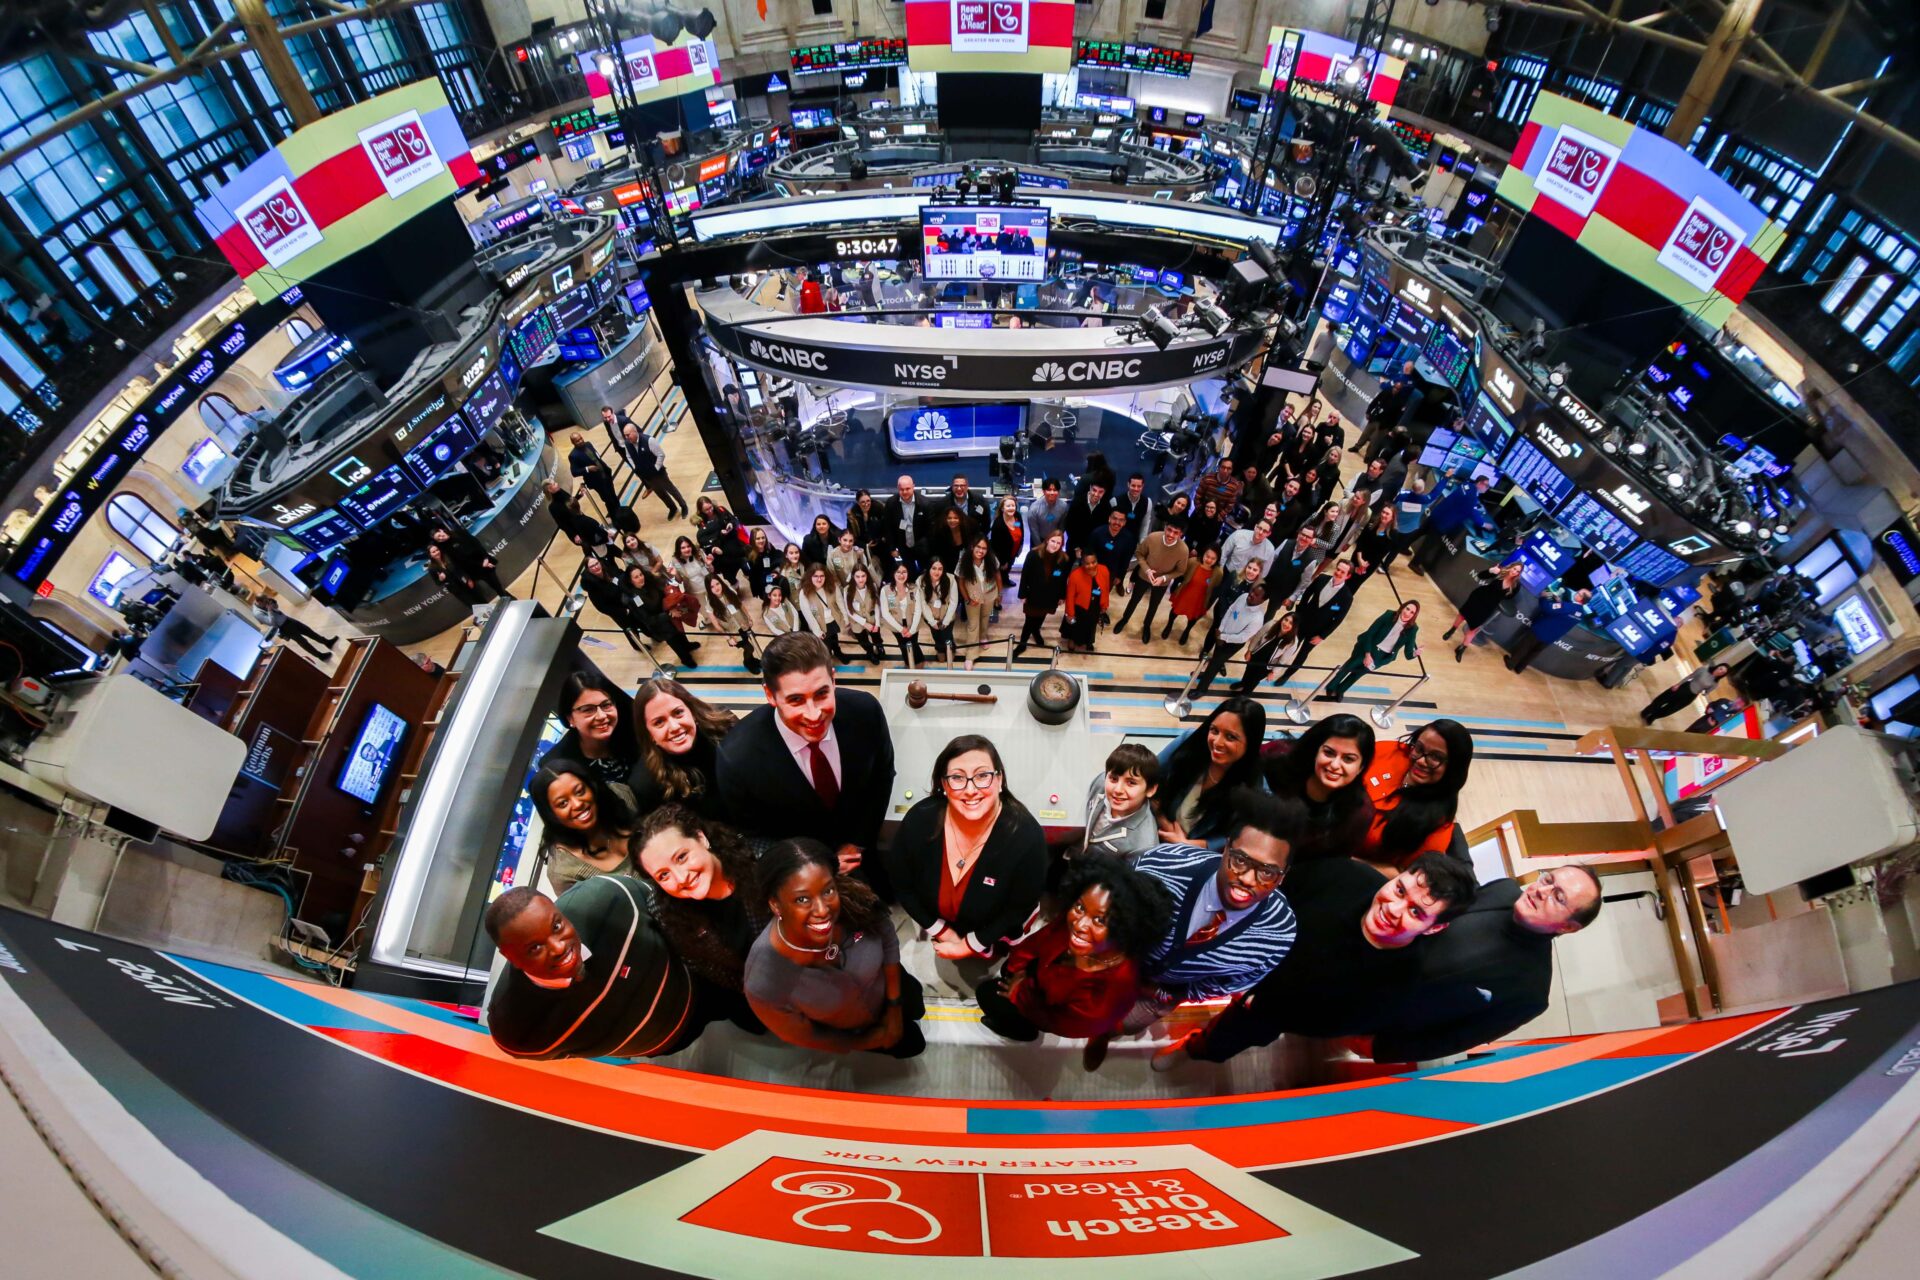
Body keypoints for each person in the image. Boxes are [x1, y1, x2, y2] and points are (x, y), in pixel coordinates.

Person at [1166, 852, 1479, 1065]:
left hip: (1264, 1012)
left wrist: (1259, 1001)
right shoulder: (1342, 875)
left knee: (1224, 1041)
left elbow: (1325, 1025)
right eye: (1399, 890)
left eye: (1416, 912)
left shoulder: (1398, 986)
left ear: (1435, 927)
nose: (1392, 909)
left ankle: (1193, 1048)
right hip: (1235, 958)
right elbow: (1278, 894)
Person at [1362, 866, 1604, 1062]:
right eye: (1547, 879)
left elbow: (1456, 1038)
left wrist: (1379, 1049)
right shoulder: (1504, 889)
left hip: (1372, 1017)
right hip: (1362, 957)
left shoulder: (1531, 991)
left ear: (1568, 927)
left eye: (1558, 897)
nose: (1542, 890)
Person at [716, 633, 896, 884]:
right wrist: (816, 861)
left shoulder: (865, 711)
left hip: (864, 850)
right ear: (770, 695)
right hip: (802, 874)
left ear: (833, 679)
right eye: (796, 700)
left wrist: (859, 842)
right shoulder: (737, 758)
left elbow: (882, 775)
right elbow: (751, 835)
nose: (814, 715)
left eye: (822, 694)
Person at [1133, 791, 1304, 1045]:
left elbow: (1229, 983)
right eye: (1240, 860)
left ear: (1283, 876)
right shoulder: (1160, 867)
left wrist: (1170, 995)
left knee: (1125, 1024)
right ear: (1225, 848)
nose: (1247, 878)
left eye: (1267, 872)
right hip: (1115, 968)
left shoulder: (1278, 932)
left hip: (1162, 996)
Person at [975, 855, 1174, 1068]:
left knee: (987, 995)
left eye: (1099, 920)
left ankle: (1024, 1030)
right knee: (1004, 972)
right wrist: (1016, 967)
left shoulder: (1107, 997)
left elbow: (1058, 1023)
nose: (1079, 924)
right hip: (1037, 976)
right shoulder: (1075, 926)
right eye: (1079, 907)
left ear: (1126, 929)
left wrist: (1019, 993)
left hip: (1040, 1006)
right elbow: (1040, 940)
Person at [745, 838, 926, 1057]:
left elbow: (888, 939)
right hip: (862, 1031)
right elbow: (805, 1036)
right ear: (775, 904)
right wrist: (867, 1041)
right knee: (912, 1045)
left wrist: (895, 1005)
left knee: (917, 1006)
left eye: (828, 891)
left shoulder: (857, 903)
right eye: (802, 899)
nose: (822, 910)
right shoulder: (764, 983)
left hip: (896, 988)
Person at [484, 877, 698, 1060]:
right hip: (668, 1043)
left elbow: (664, 905)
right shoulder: (515, 1030)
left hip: (702, 976)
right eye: (535, 948)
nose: (558, 947)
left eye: (556, 926)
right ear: (510, 958)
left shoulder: (607, 897)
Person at [885, 735, 1049, 961]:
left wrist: (969, 945)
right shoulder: (920, 821)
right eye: (957, 777)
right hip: (948, 924)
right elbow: (903, 884)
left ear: (999, 780)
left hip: (998, 927)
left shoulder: (1026, 837)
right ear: (944, 785)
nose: (970, 789)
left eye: (982, 776)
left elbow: (1017, 909)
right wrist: (942, 931)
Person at [634, 805, 767, 1030]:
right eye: (663, 875)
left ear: (701, 838)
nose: (681, 877)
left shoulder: (763, 862)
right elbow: (710, 967)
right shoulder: (665, 910)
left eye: (682, 857)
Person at [1154, 696, 1268, 849]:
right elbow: (1149, 773)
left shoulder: (1256, 789)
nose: (1217, 742)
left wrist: (1189, 845)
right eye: (1214, 730)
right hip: (1153, 825)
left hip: (1194, 855)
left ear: (1251, 743)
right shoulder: (1189, 742)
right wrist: (1164, 823)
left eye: (1230, 737)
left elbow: (1242, 835)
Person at [1258, 713, 1376, 861]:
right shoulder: (1280, 756)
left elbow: (1332, 863)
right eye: (1329, 753)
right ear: (1316, 751)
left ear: (1360, 768)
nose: (1334, 765)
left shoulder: (1359, 813)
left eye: (1348, 759)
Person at [1362, 719, 1474, 871]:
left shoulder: (1436, 827)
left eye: (1435, 757)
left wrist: (1349, 862)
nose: (1421, 760)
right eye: (1419, 748)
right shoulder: (1391, 752)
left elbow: (1404, 875)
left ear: (1453, 768)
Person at [627, 676, 735, 818]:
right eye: (659, 722)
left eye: (678, 713)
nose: (674, 727)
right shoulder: (646, 784)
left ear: (692, 711)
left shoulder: (724, 724)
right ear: (649, 734)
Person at [530, 763, 637, 893]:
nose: (578, 804)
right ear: (551, 814)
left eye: (580, 791)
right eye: (563, 803)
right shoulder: (563, 872)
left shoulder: (620, 796)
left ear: (591, 787)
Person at [550, 670, 643, 791]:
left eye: (606, 705)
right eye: (588, 710)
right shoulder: (560, 767)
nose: (601, 716)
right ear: (570, 718)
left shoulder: (632, 725)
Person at [1275, 559, 1359, 690]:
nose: (1338, 573)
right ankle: (1274, 664)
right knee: (1289, 644)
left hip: (1317, 631)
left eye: (1342, 572)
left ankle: (1287, 675)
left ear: (1348, 576)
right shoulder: (1322, 579)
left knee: (1302, 654)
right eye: (1338, 569)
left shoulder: (1347, 597)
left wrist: (1322, 636)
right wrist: (1298, 615)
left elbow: (1338, 619)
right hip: (1302, 622)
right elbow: (1306, 595)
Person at [1078, 743, 1161, 861]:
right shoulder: (1101, 782)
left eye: (1131, 782)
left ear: (1150, 789)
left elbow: (1129, 879)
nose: (1118, 790)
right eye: (1114, 779)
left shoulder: (1144, 846)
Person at [1326, 601, 1422, 701]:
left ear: (1414, 615)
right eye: (1407, 609)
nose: (1408, 613)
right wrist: (1368, 654)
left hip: (1381, 657)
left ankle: (1341, 690)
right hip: (1368, 647)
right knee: (1349, 667)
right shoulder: (1389, 615)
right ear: (1402, 607)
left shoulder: (1413, 629)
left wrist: (1415, 653)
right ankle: (1331, 686)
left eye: (1412, 612)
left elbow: (1408, 654)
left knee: (1358, 674)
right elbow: (1370, 633)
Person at [1190, 582, 1269, 701]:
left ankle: (1202, 689)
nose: (1251, 594)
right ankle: (1205, 675)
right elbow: (1230, 610)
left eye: (1256, 595)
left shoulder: (1257, 618)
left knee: (1215, 664)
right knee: (1214, 660)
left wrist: (1224, 637)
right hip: (1221, 635)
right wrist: (1220, 631)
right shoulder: (1243, 597)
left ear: (1262, 600)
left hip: (1232, 644)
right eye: (1252, 591)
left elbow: (1243, 637)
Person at [1117, 515, 1190, 640]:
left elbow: (1180, 570)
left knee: (1154, 605)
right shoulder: (1152, 538)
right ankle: (1124, 619)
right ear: (1165, 527)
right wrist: (1147, 569)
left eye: (1175, 532)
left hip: (1161, 583)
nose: (1171, 535)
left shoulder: (1183, 550)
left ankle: (1146, 626)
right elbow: (1139, 554)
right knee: (1134, 600)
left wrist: (1165, 578)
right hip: (1143, 576)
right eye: (1169, 530)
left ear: (1181, 534)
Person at [1409, 475, 1496, 574]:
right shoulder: (1472, 496)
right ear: (1480, 483)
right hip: (1443, 522)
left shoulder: (1466, 485)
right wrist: (1484, 524)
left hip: (1437, 514)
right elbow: (1473, 513)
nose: (1487, 488)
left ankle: (1402, 546)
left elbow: (1467, 503)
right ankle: (1414, 564)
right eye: (1487, 485)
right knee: (1428, 545)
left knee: (1419, 532)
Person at [1447, 561, 1523, 662]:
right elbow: (1481, 576)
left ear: (1519, 574)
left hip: (1489, 606)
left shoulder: (1516, 585)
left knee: (1473, 629)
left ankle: (1461, 649)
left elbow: (1509, 597)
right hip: (1478, 597)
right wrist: (1491, 570)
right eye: (1514, 569)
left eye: (1518, 571)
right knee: (1462, 616)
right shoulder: (1500, 572)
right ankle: (1452, 630)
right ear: (1511, 567)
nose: (1515, 572)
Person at [1505, 589, 1592, 674]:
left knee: (1524, 647)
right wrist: (1560, 603)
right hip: (1551, 637)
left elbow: (1547, 608)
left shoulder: (1567, 606)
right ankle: (1519, 668)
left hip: (1541, 630)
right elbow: (1564, 614)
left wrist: (1543, 597)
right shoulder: (1581, 614)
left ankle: (1511, 663)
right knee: (1534, 652)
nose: (1576, 593)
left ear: (1580, 598)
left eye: (1578, 592)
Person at [618, 420, 689, 519]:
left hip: (659, 473)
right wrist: (635, 467)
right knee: (660, 493)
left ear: (635, 432)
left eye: (628, 435)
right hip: (646, 475)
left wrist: (656, 468)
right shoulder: (627, 443)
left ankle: (683, 505)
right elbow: (628, 456)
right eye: (624, 435)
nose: (626, 437)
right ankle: (672, 508)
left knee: (671, 489)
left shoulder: (649, 440)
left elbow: (661, 455)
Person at [1015, 530, 1069, 657]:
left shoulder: (1064, 559)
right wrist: (1022, 594)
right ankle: (1022, 644)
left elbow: (1063, 580)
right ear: (1047, 540)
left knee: (1042, 616)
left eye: (1058, 543)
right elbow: (1025, 575)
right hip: (1033, 594)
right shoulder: (1033, 555)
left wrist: (1062, 596)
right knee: (1029, 621)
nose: (1055, 545)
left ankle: (1036, 631)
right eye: (1053, 541)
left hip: (1050, 596)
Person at [1234, 608, 1306, 695]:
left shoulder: (1293, 642)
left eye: (1291, 623)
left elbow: (1283, 660)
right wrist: (1249, 650)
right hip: (1256, 655)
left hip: (1267, 665)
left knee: (1254, 680)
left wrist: (1273, 672)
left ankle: (1245, 694)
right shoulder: (1271, 624)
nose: (1286, 624)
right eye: (1286, 620)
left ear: (1294, 627)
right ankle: (1243, 683)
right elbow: (1257, 637)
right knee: (1248, 670)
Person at [430, 524, 508, 599]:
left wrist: (486, 559)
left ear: (441, 530)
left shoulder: (459, 532)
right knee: (497, 589)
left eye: (439, 535)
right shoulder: (445, 547)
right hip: (474, 570)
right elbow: (462, 561)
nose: (441, 538)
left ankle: (510, 601)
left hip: (485, 563)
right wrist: (478, 567)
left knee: (498, 587)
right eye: (438, 539)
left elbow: (476, 543)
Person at [1165, 545, 1222, 645]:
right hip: (1185, 593)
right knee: (1175, 611)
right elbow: (1182, 574)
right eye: (1207, 556)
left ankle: (1187, 631)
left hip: (1200, 599)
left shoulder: (1218, 572)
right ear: (1203, 554)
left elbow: (1215, 587)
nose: (1209, 560)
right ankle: (1169, 625)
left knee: (1193, 618)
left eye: (1213, 558)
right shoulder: (1192, 561)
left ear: (1217, 560)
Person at [1641, 662, 1732, 725]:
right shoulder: (1704, 669)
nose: (1720, 672)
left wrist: (1706, 692)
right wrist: (1678, 684)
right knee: (1662, 700)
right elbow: (1690, 676)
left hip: (1691, 696)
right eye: (1721, 669)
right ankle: (1647, 711)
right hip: (1684, 687)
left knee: (1670, 709)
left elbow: (1706, 692)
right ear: (1718, 666)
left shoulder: (1715, 683)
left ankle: (1653, 717)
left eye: (1723, 672)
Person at [956, 538, 999, 670]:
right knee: (973, 625)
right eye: (978, 547)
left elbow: (998, 576)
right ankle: (970, 655)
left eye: (984, 548)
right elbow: (961, 582)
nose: (981, 551)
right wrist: (967, 599)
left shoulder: (992, 559)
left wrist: (999, 594)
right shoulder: (964, 561)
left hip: (990, 594)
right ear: (972, 547)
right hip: (972, 598)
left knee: (985, 617)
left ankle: (983, 636)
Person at [705, 576, 760, 673]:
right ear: (709, 589)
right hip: (732, 632)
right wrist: (728, 638)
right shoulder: (710, 605)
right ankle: (747, 662)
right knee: (749, 648)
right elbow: (717, 625)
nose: (716, 588)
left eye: (717, 584)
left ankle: (751, 659)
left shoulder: (730, 591)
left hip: (742, 624)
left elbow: (740, 605)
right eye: (712, 587)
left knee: (749, 644)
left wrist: (749, 617)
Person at [258, 594, 337, 661]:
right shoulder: (258, 613)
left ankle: (327, 642)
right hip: (284, 627)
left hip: (288, 619)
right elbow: (271, 623)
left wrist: (273, 605)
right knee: (303, 642)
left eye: (266, 600)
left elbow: (277, 607)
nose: (266, 602)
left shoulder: (267, 602)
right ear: (259, 602)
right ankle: (320, 656)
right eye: (265, 601)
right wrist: (269, 611)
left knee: (308, 630)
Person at [796, 564, 849, 662]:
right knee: (825, 645)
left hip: (833, 619)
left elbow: (840, 602)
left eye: (822, 576)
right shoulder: (804, 592)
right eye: (815, 576)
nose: (819, 579)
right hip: (820, 624)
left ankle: (838, 652)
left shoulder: (832, 586)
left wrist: (845, 618)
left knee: (834, 638)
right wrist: (817, 631)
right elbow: (807, 614)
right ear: (810, 577)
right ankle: (827, 660)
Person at [1061, 545, 1109, 653]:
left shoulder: (1104, 570)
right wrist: (1070, 614)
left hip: (1095, 606)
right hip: (1079, 607)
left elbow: (1105, 589)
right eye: (1087, 563)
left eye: (1094, 562)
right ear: (1082, 563)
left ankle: (1089, 642)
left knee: (1091, 626)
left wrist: (1105, 605)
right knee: (1076, 627)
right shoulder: (1075, 575)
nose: (1091, 566)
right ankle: (1072, 640)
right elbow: (1070, 597)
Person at [881, 474, 930, 573]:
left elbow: (930, 529)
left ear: (913, 487)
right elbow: (888, 528)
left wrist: (924, 547)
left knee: (925, 574)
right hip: (903, 547)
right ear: (898, 488)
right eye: (901, 489)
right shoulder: (891, 503)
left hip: (922, 547)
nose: (904, 492)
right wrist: (892, 548)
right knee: (908, 574)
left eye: (907, 489)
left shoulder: (925, 503)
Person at [879, 561, 925, 666]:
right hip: (896, 624)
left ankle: (919, 660)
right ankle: (908, 662)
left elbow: (918, 610)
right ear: (893, 573)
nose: (901, 575)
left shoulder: (914, 589)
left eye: (904, 572)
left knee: (914, 643)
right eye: (898, 572)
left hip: (912, 622)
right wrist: (901, 629)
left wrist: (912, 630)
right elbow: (885, 613)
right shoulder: (885, 590)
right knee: (902, 645)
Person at [839, 564, 887, 664]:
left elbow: (876, 605)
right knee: (863, 640)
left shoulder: (872, 586)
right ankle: (870, 653)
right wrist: (865, 624)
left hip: (872, 618)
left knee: (876, 637)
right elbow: (849, 610)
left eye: (863, 576)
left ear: (867, 576)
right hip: (857, 622)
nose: (861, 579)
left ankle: (879, 647)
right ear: (853, 576)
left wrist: (877, 623)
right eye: (857, 576)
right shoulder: (847, 590)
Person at [568, 431, 622, 514]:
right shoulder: (573, 455)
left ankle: (620, 512)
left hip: (605, 474)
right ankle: (615, 516)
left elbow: (597, 457)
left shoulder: (588, 444)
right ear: (573, 443)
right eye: (577, 441)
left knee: (613, 495)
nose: (581, 441)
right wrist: (587, 469)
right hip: (596, 481)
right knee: (608, 499)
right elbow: (574, 472)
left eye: (581, 438)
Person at [919, 558, 960, 665]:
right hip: (930, 615)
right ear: (929, 569)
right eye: (934, 568)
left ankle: (951, 648)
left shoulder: (950, 579)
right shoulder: (920, 581)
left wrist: (946, 621)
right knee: (936, 634)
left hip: (947, 615)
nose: (937, 572)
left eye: (940, 569)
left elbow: (953, 602)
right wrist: (932, 622)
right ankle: (940, 649)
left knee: (947, 635)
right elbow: (922, 604)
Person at [1061, 478, 1115, 553]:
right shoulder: (1077, 501)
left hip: (1093, 547)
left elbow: (1104, 527)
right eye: (1094, 490)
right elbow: (1069, 525)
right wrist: (1076, 547)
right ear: (1090, 488)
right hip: (1074, 544)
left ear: (1104, 492)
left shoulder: (1106, 506)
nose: (1096, 494)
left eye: (1100, 492)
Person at [1024, 478, 1069, 548]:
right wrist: (1040, 548)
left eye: (1055, 490)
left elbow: (1062, 528)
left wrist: (1056, 542)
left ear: (1058, 492)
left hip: (1055, 541)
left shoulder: (1063, 506)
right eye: (1049, 490)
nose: (1052, 493)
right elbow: (1034, 531)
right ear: (1043, 491)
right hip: (1038, 540)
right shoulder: (1034, 508)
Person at [988, 495, 1025, 574]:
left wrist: (1021, 546)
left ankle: (1006, 578)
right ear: (1002, 508)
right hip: (1003, 556)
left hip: (1014, 551)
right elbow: (996, 546)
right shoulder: (998, 524)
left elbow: (1021, 530)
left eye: (1013, 505)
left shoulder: (1017, 516)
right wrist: (1002, 562)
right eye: (1008, 506)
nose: (1011, 508)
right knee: (1002, 571)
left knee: (1009, 567)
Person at [743, 527, 781, 601]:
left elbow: (776, 559)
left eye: (763, 538)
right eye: (758, 538)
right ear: (753, 540)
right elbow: (753, 576)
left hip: (772, 578)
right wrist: (756, 591)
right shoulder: (749, 553)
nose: (761, 540)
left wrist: (776, 572)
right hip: (761, 584)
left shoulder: (769, 547)